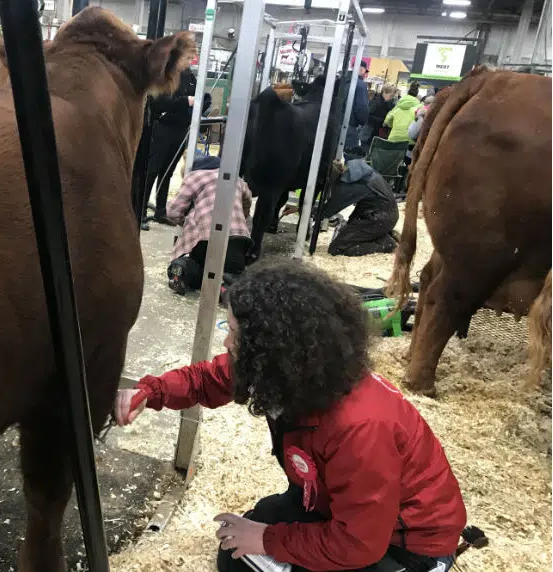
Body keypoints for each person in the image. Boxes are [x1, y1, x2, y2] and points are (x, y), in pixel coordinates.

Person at [115, 260, 467, 572]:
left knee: (247, 556)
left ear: (273, 346)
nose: (227, 344)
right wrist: (151, 392)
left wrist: (268, 541)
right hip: (333, 507)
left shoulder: (359, 426)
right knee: (237, 550)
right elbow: (208, 378)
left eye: (235, 334)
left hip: (404, 545)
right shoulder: (294, 370)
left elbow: (360, 543)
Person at [165, 155, 252, 296]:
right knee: (235, 272)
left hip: (206, 237)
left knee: (200, 268)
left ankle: (181, 271)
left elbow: (173, 212)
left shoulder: (195, 177)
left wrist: (187, 220)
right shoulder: (237, 179)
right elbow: (247, 203)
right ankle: (227, 286)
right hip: (239, 238)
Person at [141, 66, 209, 231]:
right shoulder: (167, 76)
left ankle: (161, 211)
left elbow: (204, 98)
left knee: (168, 171)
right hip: (163, 128)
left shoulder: (192, 78)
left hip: (182, 130)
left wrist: (203, 104)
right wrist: (185, 101)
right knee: (153, 170)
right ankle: (140, 211)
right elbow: (158, 102)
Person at [325, 158, 399, 256]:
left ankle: (386, 244)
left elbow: (329, 210)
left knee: (337, 248)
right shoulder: (359, 172)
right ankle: (381, 235)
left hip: (379, 218)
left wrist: (309, 211)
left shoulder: (351, 183)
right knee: (346, 230)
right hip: (384, 215)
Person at [344, 60, 370, 155]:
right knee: (349, 157)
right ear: (361, 69)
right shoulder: (360, 85)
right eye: (364, 71)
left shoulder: (342, 81)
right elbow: (362, 107)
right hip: (350, 126)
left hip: (336, 124)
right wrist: (362, 122)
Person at [360, 84, 396, 150]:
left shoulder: (389, 104)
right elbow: (368, 116)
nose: (391, 98)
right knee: (365, 154)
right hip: (369, 133)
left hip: (378, 134)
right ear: (384, 92)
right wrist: (382, 121)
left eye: (392, 96)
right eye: (391, 96)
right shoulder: (375, 101)